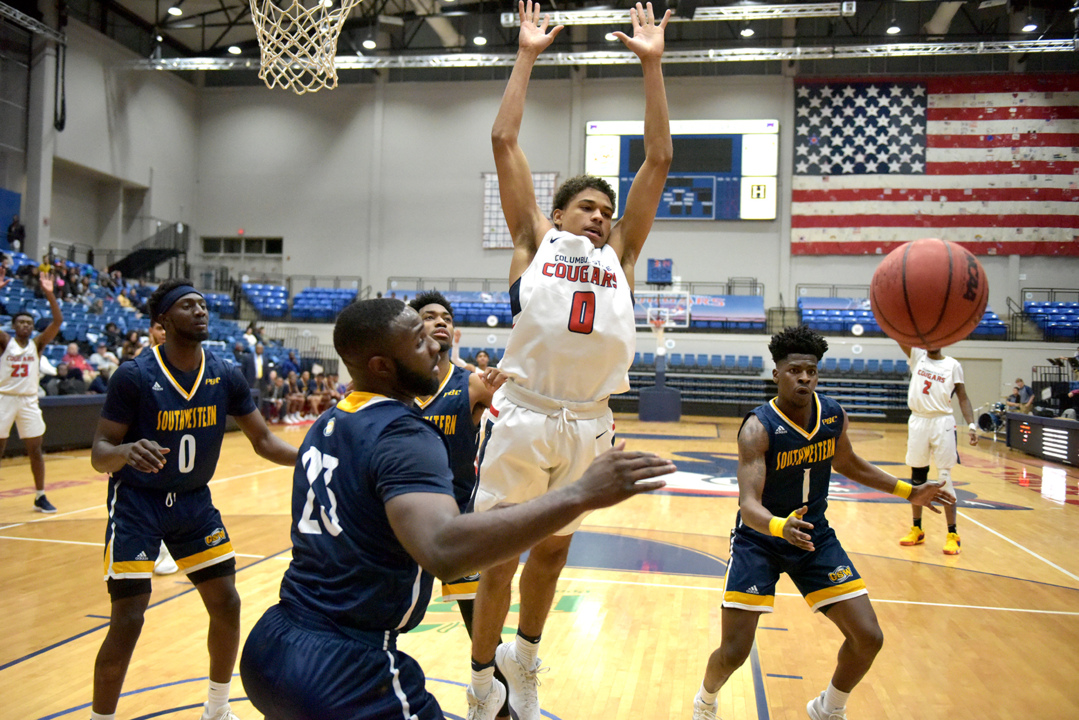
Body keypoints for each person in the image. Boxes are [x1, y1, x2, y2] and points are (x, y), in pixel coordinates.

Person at [238, 298, 674, 720]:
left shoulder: (326, 423)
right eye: (419, 341)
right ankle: (489, 686)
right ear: (381, 366)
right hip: (342, 667)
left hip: (271, 646)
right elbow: (443, 552)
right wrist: (579, 493)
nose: (436, 345)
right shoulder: (402, 434)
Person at [466, 3, 673, 719]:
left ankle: (524, 660)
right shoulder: (534, 242)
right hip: (523, 415)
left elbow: (658, 160)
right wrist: (526, 54)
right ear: (557, 216)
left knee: (551, 554)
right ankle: (479, 677)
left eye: (605, 209)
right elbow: (502, 138)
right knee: (499, 556)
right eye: (586, 205)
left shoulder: (622, 256)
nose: (599, 215)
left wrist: (652, 65)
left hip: (588, 423)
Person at [690, 326, 955, 720]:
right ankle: (705, 701)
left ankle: (828, 708)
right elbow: (748, 506)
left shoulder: (832, 414)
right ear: (777, 374)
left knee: (868, 637)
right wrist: (781, 527)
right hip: (760, 540)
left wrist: (908, 490)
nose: (804, 378)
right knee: (734, 652)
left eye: (811, 371)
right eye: (795, 370)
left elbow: (847, 462)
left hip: (814, 536)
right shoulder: (758, 428)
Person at [88, 279, 298, 720]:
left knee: (227, 602)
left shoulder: (224, 373)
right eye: (187, 306)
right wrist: (124, 452)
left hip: (193, 504)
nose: (200, 311)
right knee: (128, 620)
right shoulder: (134, 375)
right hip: (137, 505)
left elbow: (262, 440)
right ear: (162, 321)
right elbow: (100, 453)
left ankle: (216, 710)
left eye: (202, 305)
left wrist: (312, 458)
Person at [409, 292, 499, 636]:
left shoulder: (473, 384)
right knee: (388, 614)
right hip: (401, 513)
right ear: (413, 328)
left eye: (446, 317)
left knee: (479, 624)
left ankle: (492, 685)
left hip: (457, 516)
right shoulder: (393, 389)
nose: (441, 321)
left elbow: (518, 412)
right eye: (430, 316)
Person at [897, 342, 977, 556]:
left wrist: (971, 424)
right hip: (918, 421)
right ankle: (917, 529)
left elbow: (963, 396)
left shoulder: (952, 365)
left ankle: (952, 534)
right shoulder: (917, 356)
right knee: (917, 477)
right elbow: (899, 335)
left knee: (944, 477)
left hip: (942, 421)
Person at [0, 271, 62, 513]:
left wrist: (49, 294)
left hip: (28, 400)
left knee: (35, 449)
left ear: (32, 327)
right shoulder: (6, 342)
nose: (24, 325)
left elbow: (57, 322)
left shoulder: (37, 344)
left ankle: (40, 495)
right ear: (14, 326)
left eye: (28, 322)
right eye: (20, 322)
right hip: (3, 398)